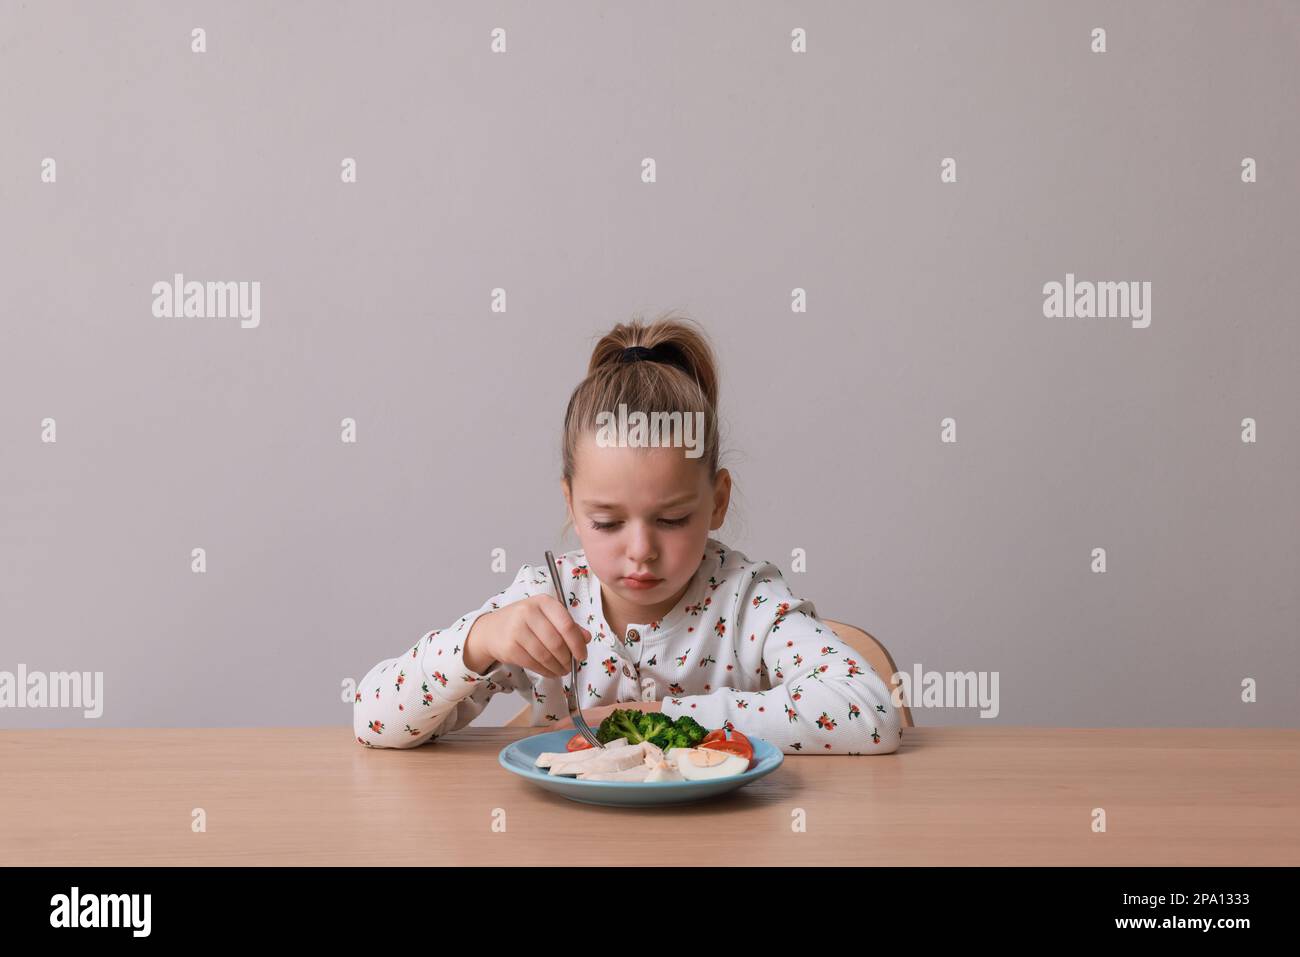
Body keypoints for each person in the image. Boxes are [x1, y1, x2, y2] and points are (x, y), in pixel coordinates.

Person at [353, 312, 902, 754]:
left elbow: (872, 713)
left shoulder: (745, 601)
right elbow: (373, 720)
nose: (640, 551)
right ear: (570, 501)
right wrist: (477, 642)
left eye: (671, 520)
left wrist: (656, 717)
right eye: (608, 523)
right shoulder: (549, 600)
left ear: (717, 501)